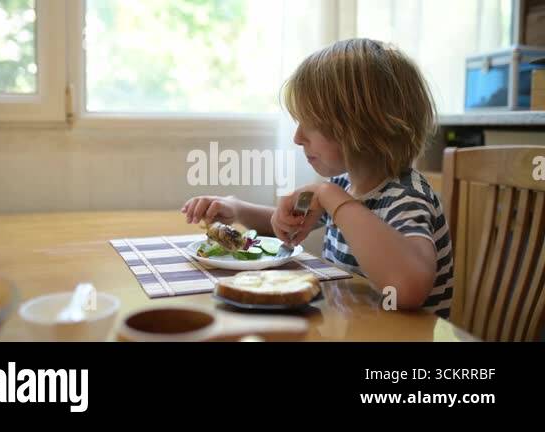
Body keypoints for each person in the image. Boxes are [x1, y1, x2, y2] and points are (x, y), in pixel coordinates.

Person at [182, 38, 453, 318]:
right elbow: (283, 225)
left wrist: (328, 196)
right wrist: (237, 208)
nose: (297, 138)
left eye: (310, 124)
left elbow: (407, 289)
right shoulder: (345, 186)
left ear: (362, 127)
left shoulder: (407, 196)